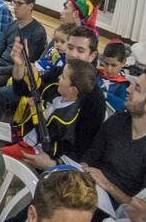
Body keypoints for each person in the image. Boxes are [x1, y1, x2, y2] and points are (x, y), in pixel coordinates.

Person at [7, 26, 104, 158]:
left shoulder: (95, 98)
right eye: (70, 47)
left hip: (50, 157)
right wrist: (19, 65)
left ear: (92, 56)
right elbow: (22, 91)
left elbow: (83, 146)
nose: (73, 54)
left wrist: (52, 164)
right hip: (28, 137)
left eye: (80, 50)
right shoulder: (58, 72)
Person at [81, 68, 146, 209]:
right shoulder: (117, 120)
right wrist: (83, 170)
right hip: (88, 192)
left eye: (137, 88)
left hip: (116, 216)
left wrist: (108, 185)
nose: (128, 90)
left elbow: (143, 209)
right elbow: (90, 157)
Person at [1, 59, 97, 168]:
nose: (59, 77)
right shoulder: (57, 92)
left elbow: (43, 135)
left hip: (34, 146)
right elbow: (40, 89)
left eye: (64, 77)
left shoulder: (65, 118)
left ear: (73, 90)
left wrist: (35, 109)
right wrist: (32, 76)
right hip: (25, 132)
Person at [97, 40, 130, 113]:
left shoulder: (124, 84)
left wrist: (107, 95)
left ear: (123, 62)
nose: (109, 69)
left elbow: (124, 105)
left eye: (113, 65)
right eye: (106, 63)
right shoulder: (98, 73)